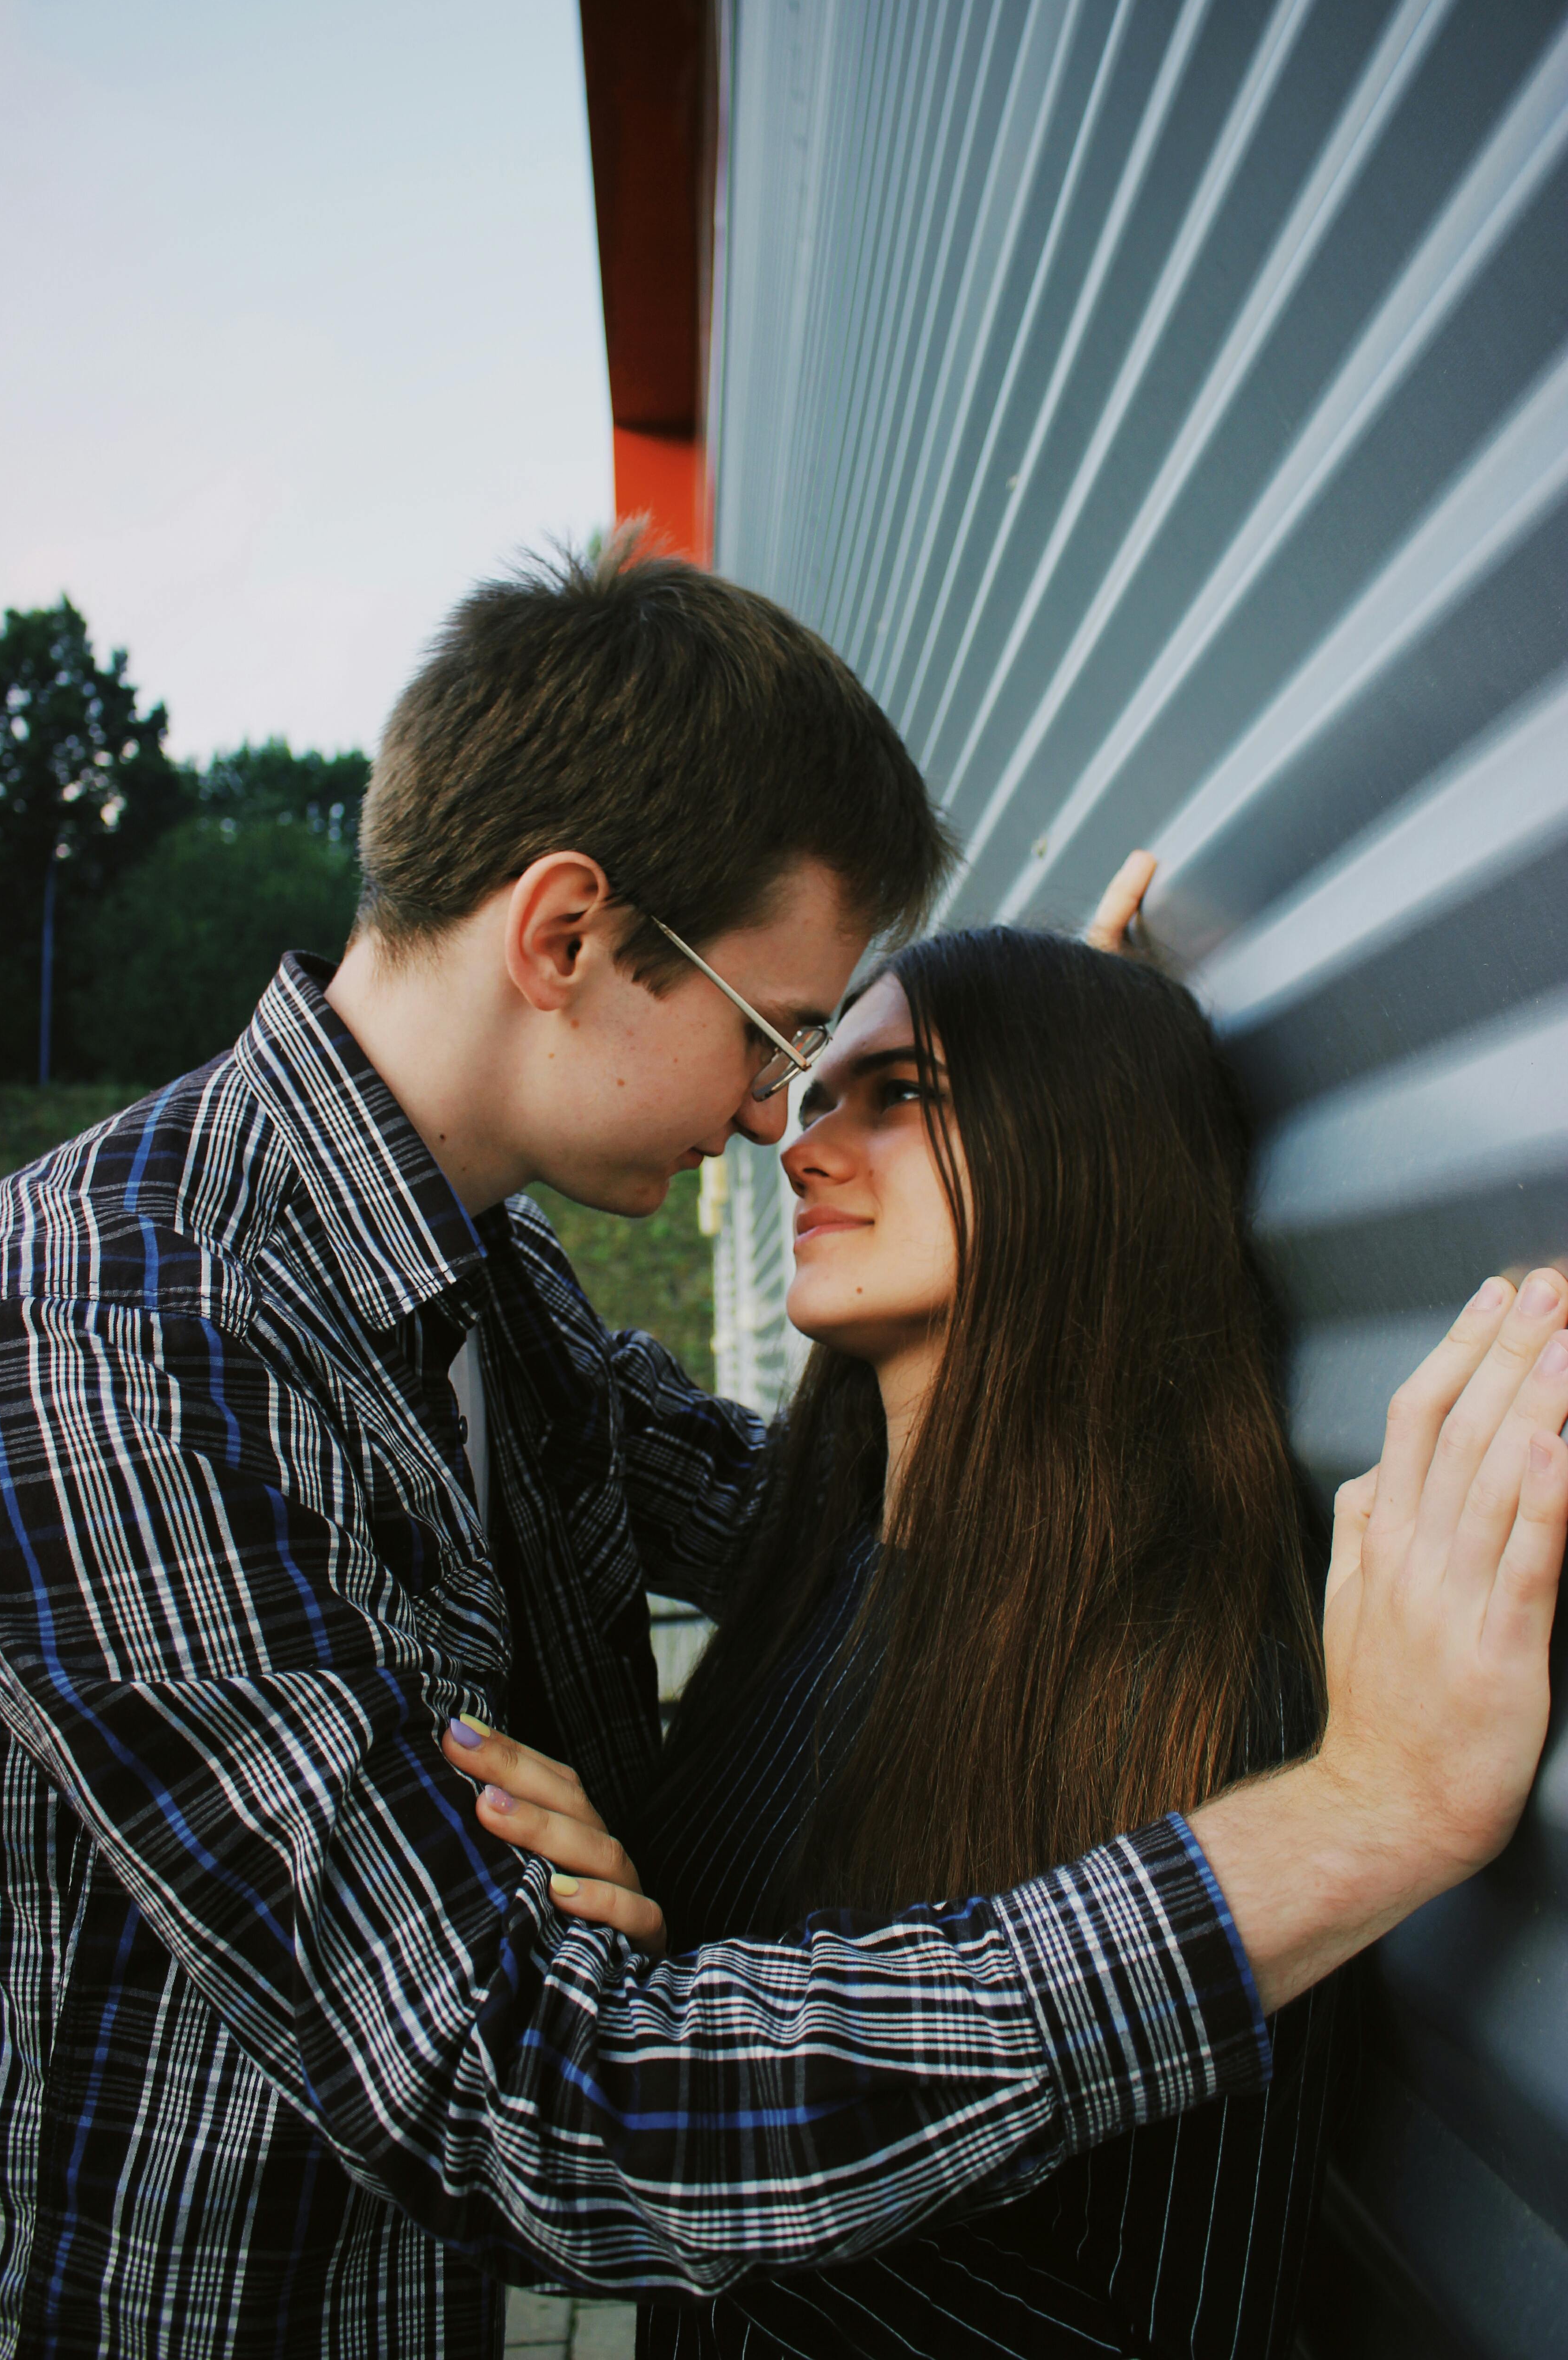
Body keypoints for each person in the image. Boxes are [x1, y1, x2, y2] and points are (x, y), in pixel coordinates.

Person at [0, 543, 1561, 2359]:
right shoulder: (116, 1327)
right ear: (568, 939)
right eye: (784, 1033)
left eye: (852, 1071)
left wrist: (1044, 1123)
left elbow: (830, 1501)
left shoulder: (490, 1283)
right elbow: (532, 2103)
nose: (773, 1114)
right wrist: (1370, 1814)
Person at [468, 925, 1345, 2355]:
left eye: (902, 1095)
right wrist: (635, 1962)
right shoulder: (823, 1572)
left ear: (1077, 1145)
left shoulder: (1172, 1691)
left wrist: (682, 2087)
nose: (799, 1146)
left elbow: (1171, 2318)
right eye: (822, 1095)